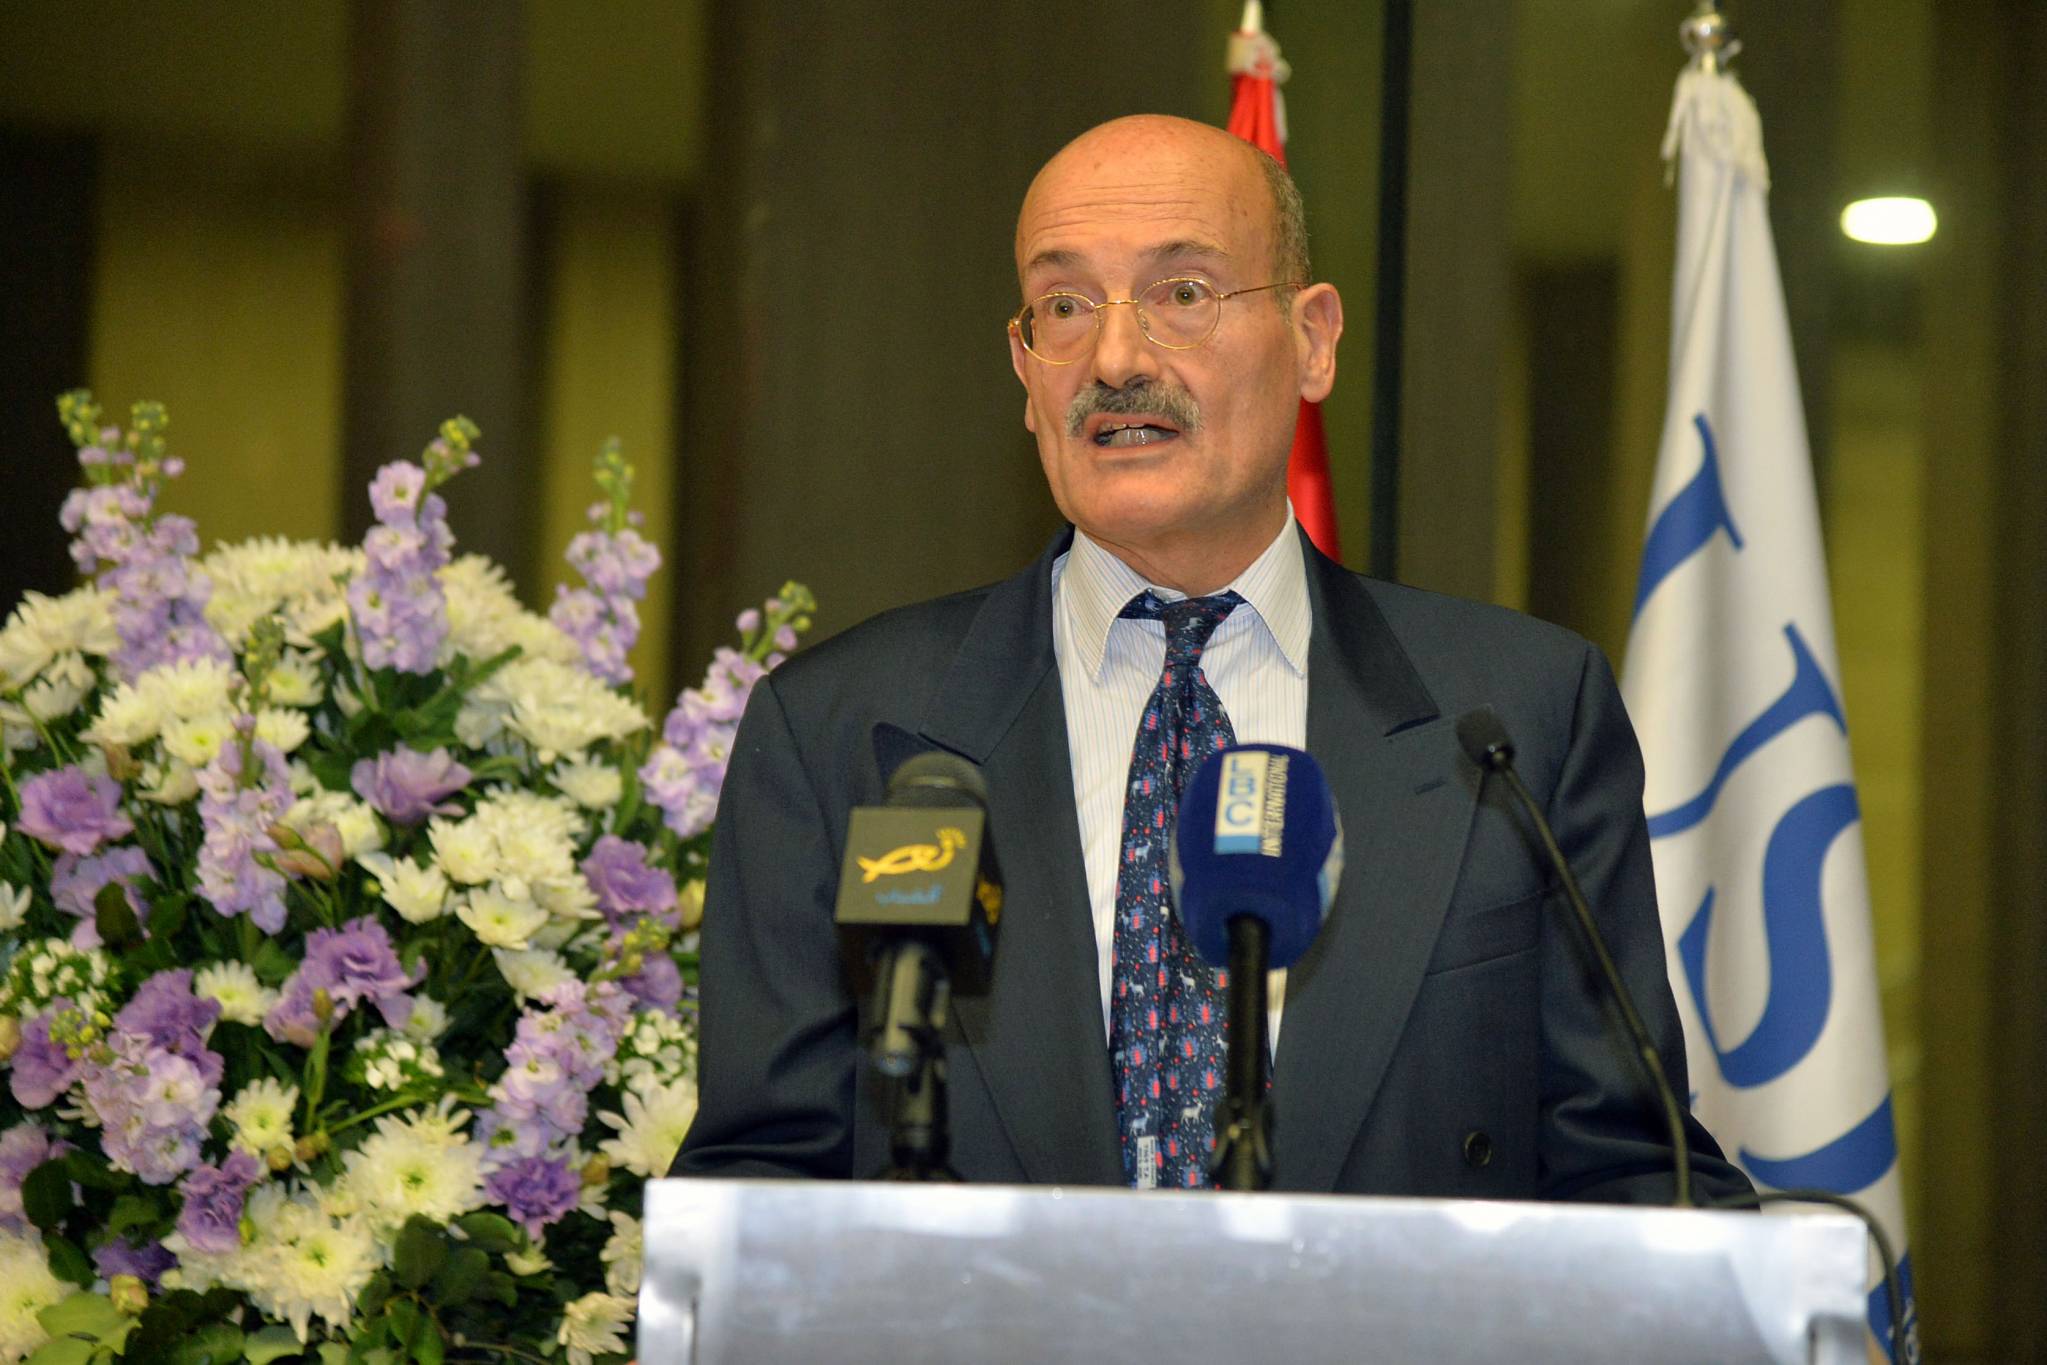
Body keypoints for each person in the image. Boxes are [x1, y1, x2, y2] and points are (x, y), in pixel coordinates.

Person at [672, 114, 1748, 1202]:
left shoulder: (1514, 716)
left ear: (1314, 340)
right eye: (1064, 306)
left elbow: (1632, 1178)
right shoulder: (843, 733)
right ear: (1023, 367)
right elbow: (758, 1196)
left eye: (1183, 293)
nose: (1117, 358)